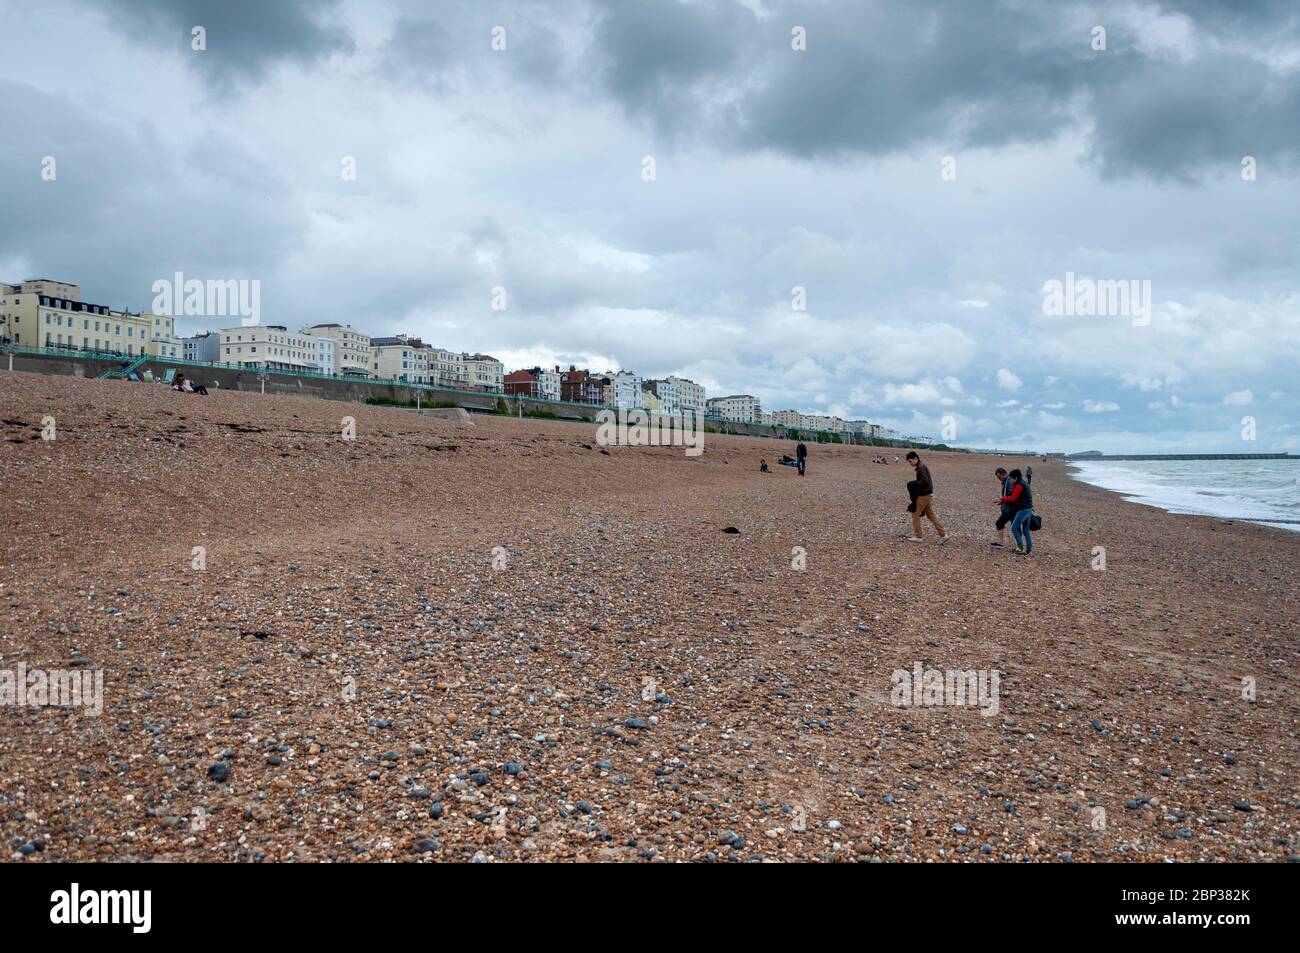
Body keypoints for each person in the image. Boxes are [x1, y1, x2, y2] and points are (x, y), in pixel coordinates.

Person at [905, 451, 946, 543]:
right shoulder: (921, 466)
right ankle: (943, 534)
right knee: (930, 514)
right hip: (928, 493)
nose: (910, 463)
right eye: (909, 462)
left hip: (924, 494)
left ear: (916, 459)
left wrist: (915, 484)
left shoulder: (921, 467)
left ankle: (919, 536)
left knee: (915, 513)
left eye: (910, 461)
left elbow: (925, 481)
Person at [997, 468, 1034, 555]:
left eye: (1012, 479)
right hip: (1029, 509)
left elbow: (1013, 498)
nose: (1011, 481)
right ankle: (1029, 548)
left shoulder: (1019, 485)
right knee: (1025, 530)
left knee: (1014, 528)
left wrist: (1002, 499)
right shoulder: (1025, 483)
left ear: (1016, 478)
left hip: (1023, 509)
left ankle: (1020, 548)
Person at [992, 467, 1014, 547]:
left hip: (1010, 509)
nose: (999, 479)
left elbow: (1012, 496)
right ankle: (1001, 542)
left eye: (999, 477)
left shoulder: (1009, 482)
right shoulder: (1006, 481)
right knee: (1013, 526)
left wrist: (1001, 500)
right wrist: (1001, 501)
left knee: (1000, 523)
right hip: (1008, 507)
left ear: (1003, 474)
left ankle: (1001, 543)